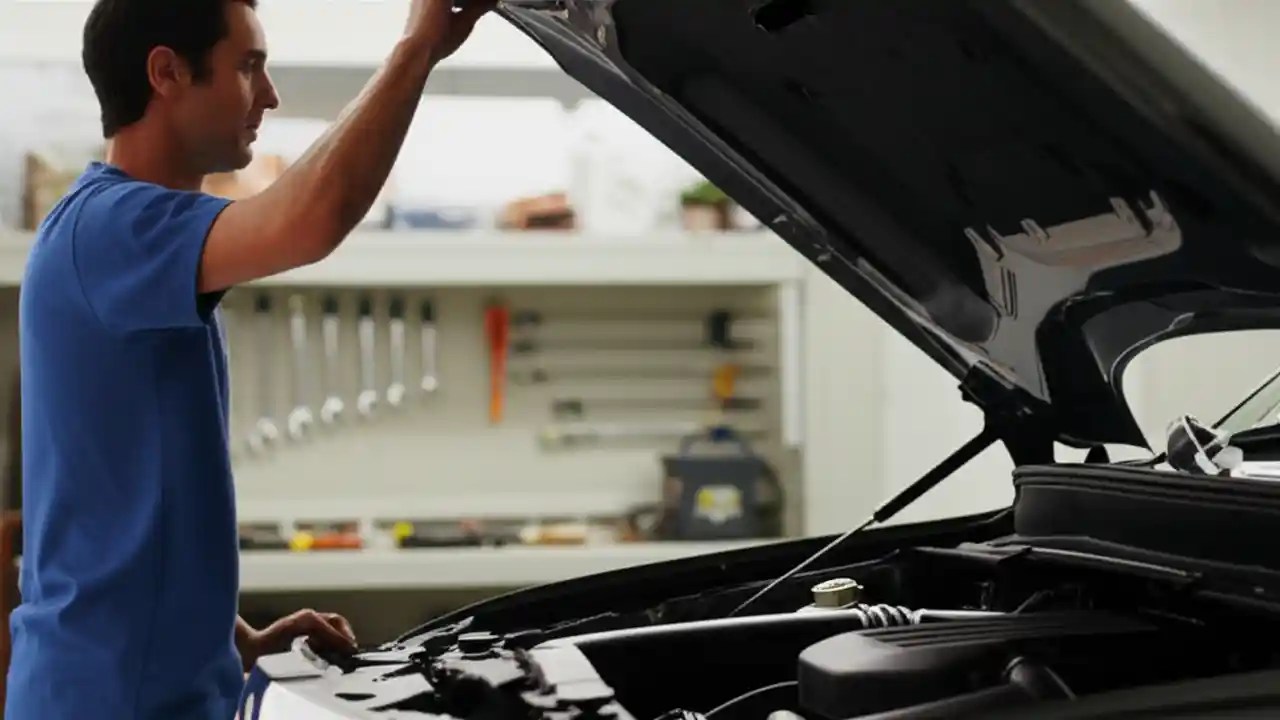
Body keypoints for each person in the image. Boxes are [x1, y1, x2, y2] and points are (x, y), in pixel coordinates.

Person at [5, 0, 495, 717]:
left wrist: (236, 640)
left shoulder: (129, 242)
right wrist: (414, 49)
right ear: (167, 72)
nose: (269, 95)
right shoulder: (113, 230)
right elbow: (311, 216)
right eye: (249, 67)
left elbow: (114, 509)